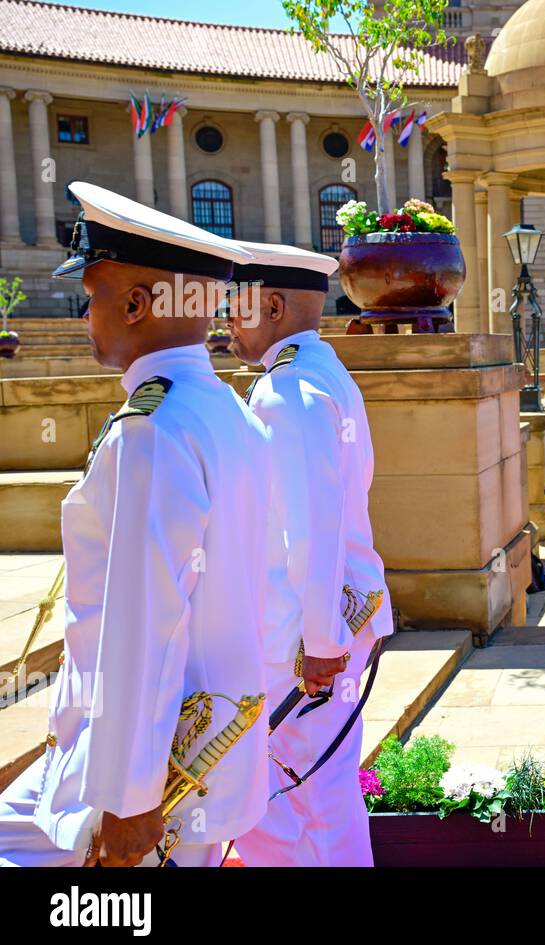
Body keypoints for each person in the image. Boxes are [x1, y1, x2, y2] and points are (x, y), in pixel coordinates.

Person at [0, 182, 271, 866]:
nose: (85, 313)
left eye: (91, 296)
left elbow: (144, 619)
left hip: (147, 772)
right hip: (199, 748)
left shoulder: (152, 429)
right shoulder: (223, 409)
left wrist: (129, 800)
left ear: (134, 304)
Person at [224, 241, 392, 867]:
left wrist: (320, 644)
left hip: (307, 638)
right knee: (324, 799)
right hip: (334, 619)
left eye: (233, 306)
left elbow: (311, 528)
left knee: (283, 810)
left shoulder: (284, 390)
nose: (224, 320)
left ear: (270, 305)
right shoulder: (322, 371)